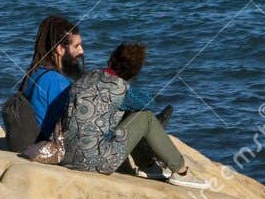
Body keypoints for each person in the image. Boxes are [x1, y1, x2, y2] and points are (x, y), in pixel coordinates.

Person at [62, 42, 206, 187]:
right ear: (136, 72)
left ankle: (148, 165)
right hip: (94, 163)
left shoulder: (86, 78)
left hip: (67, 156)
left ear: (111, 59)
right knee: (145, 117)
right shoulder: (121, 90)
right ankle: (180, 171)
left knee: (121, 112)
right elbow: (149, 104)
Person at [20, 15, 83, 142]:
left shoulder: (35, 73)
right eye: (76, 46)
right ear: (60, 49)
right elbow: (68, 126)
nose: (81, 51)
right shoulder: (56, 81)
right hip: (45, 147)